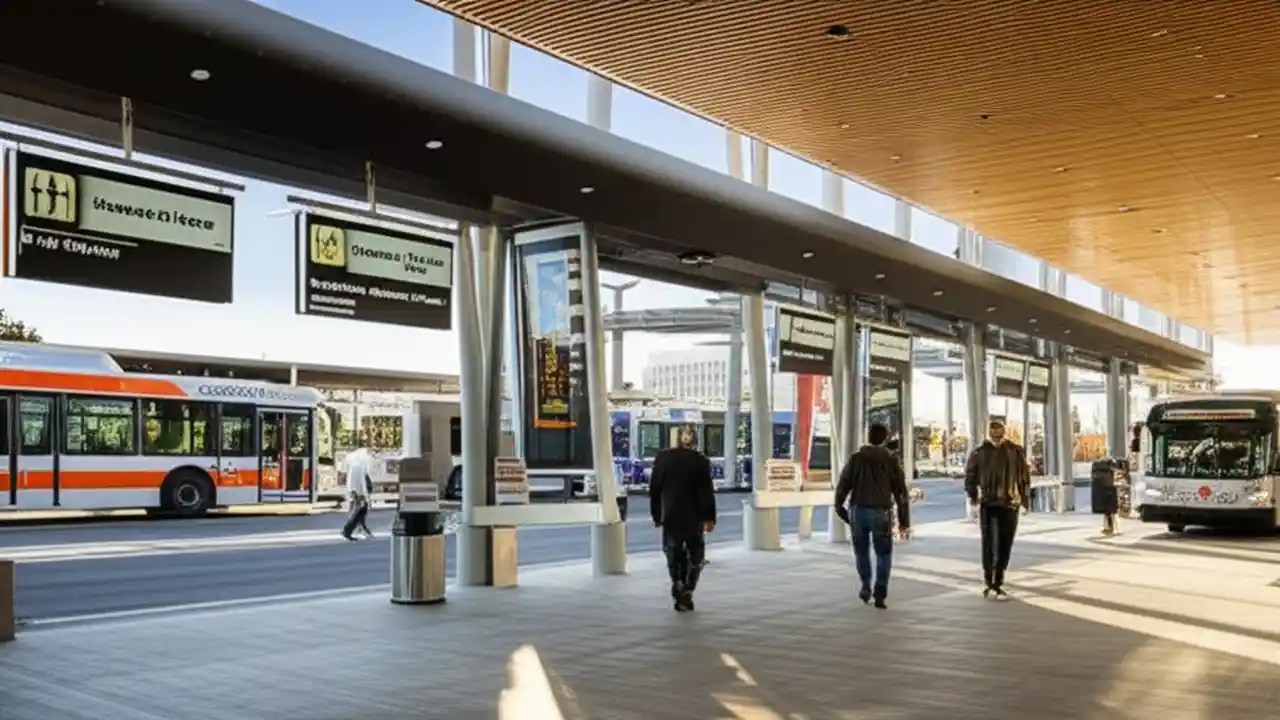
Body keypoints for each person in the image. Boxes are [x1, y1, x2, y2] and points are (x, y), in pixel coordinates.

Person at [834, 422, 911, 609]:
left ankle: (865, 586)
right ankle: (880, 593)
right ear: (885, 438)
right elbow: (901, 493)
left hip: (858, 511)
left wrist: (840, 508)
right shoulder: (891, 461)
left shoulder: (856, 459)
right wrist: (903, 521)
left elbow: (844, 484)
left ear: (868, 437)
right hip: (881, 512)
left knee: (861, 552)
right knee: (883, 554)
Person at [649, 425, 716, 612]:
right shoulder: (700, 460)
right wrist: (709, 517)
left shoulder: (663, 459)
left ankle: (678, 584)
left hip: (671, 515)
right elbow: (706, 491)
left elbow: (655, 488)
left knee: (673, 551)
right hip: (694, 515)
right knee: (696, 555)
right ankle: (687, 589)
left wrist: (656, 514)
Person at [964, 419, 1031, 599]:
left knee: (1005, 544)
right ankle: (991, 582)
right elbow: (970, 477)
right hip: (989, 504)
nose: (995, 433)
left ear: (1003, 431)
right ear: (989, 432)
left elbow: (1024, 477)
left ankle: (998, 579)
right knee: (990, 544)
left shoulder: (1015, 452)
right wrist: (974, 498)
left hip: (1010, 503)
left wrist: (1025, 500)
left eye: (998, 429)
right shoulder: (979, 453)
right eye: (993, 430)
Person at [340, 444, 375, 541]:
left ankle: (361, 529)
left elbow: (346, 472)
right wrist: (365, 495)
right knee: (360, 509)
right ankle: (348, 530)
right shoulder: (364, 459)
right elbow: (362, 478)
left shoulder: (354, 457)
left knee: (360, 510)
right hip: (358, 488)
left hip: (353, 487)